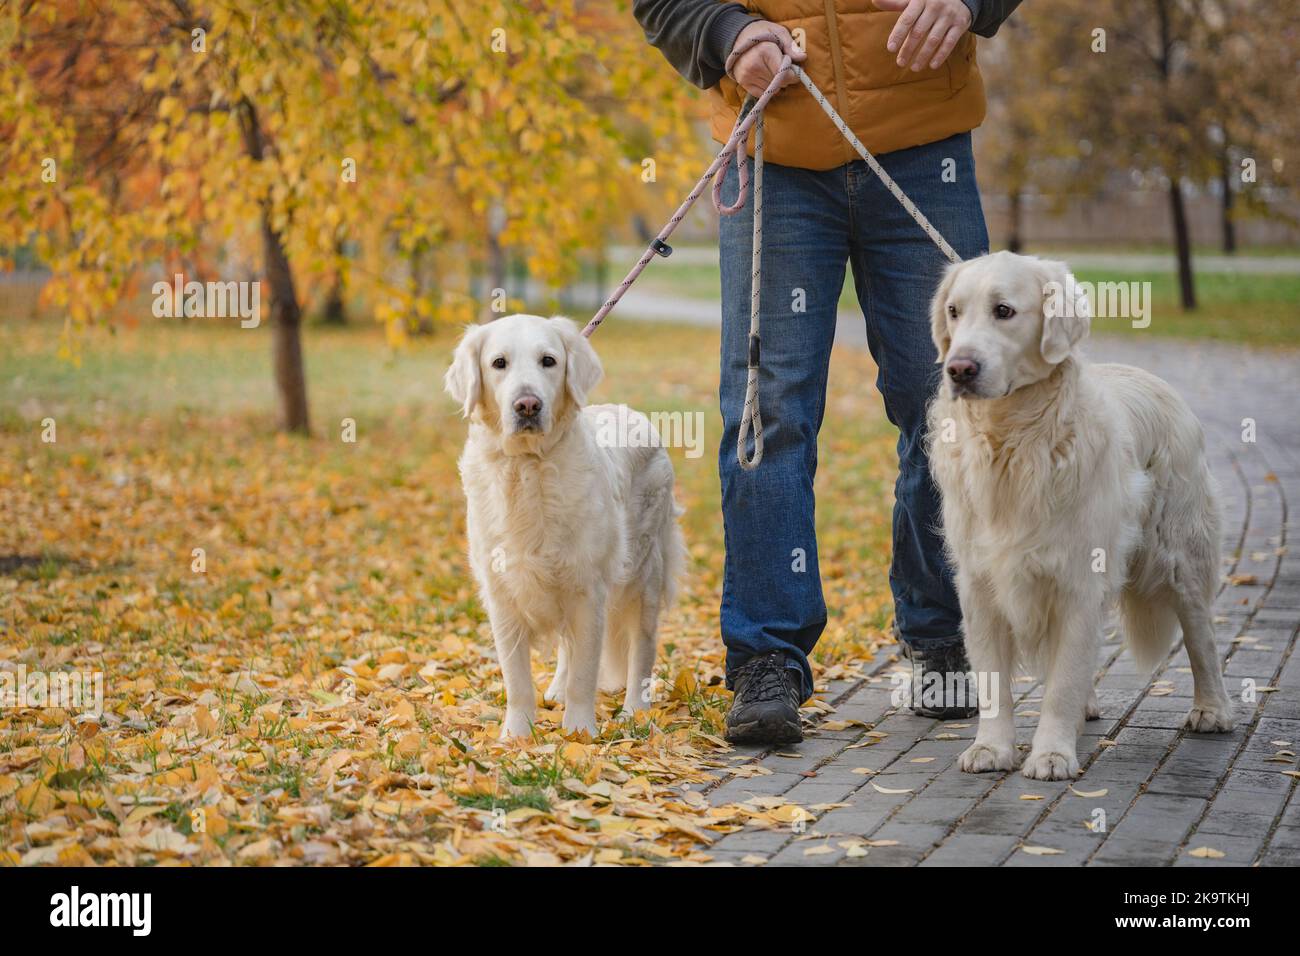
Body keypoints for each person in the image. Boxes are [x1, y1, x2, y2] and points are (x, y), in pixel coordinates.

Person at [632, 0, 1024, 743]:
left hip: (924, 143)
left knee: (950, 400)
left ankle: (942, 632)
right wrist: (727, 34)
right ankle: (766, 656)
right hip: (774, 154)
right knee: (766, 410)